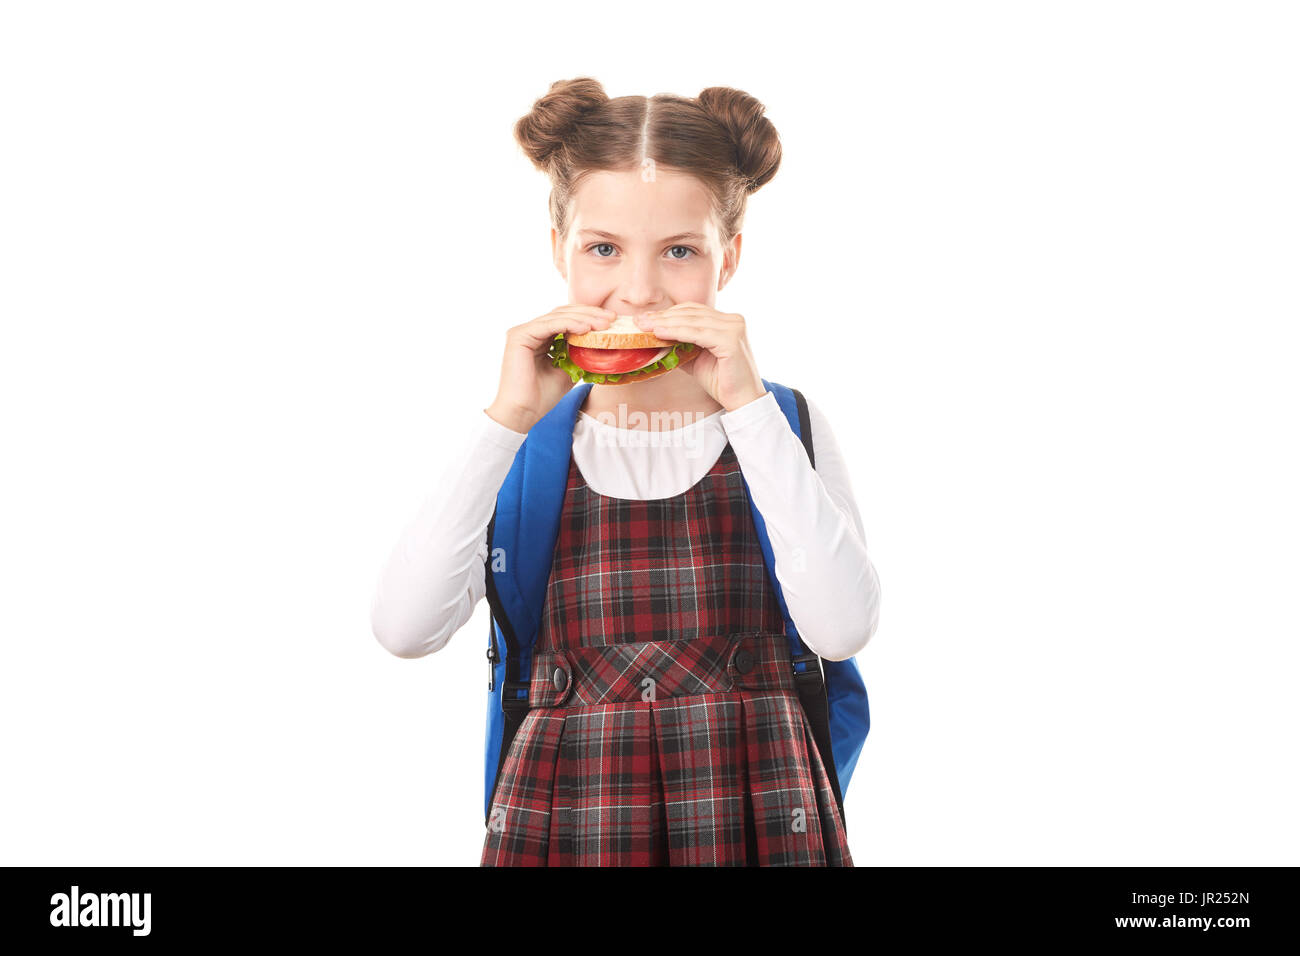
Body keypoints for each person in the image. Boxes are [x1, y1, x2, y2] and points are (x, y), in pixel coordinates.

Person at [370, 77, 881, 866]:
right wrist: (506, 418)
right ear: (557, 251)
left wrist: (747, 406)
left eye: (680, 251)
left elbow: (842, 629)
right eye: (602, 249)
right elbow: (404, 631)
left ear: (730, 258)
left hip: (756, 820)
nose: (637, 293)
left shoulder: (785, 424)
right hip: (569, 823)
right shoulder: (521, 446)